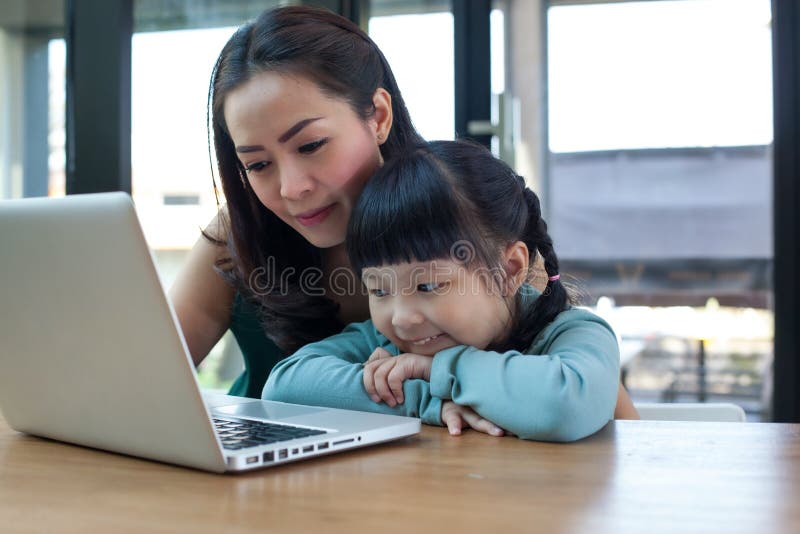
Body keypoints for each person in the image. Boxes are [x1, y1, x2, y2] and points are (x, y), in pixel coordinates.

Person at [169, 5, 637, 429]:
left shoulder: (469, 227)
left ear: (377, 115)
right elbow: (148, 381)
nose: (291, 188)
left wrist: (437, 374)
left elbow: (603, 413)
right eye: (257, 164)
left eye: (310, 145)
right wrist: (425, 395)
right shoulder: (240, 231)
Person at [263, 140, 636, 442]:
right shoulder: (390, 343)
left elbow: (565, 407)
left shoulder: (572, 333)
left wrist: (437, 370)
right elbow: (284, 387)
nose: (402, 317)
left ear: (509, 270)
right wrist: (425, 399)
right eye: (378, 290)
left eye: (428, 285)